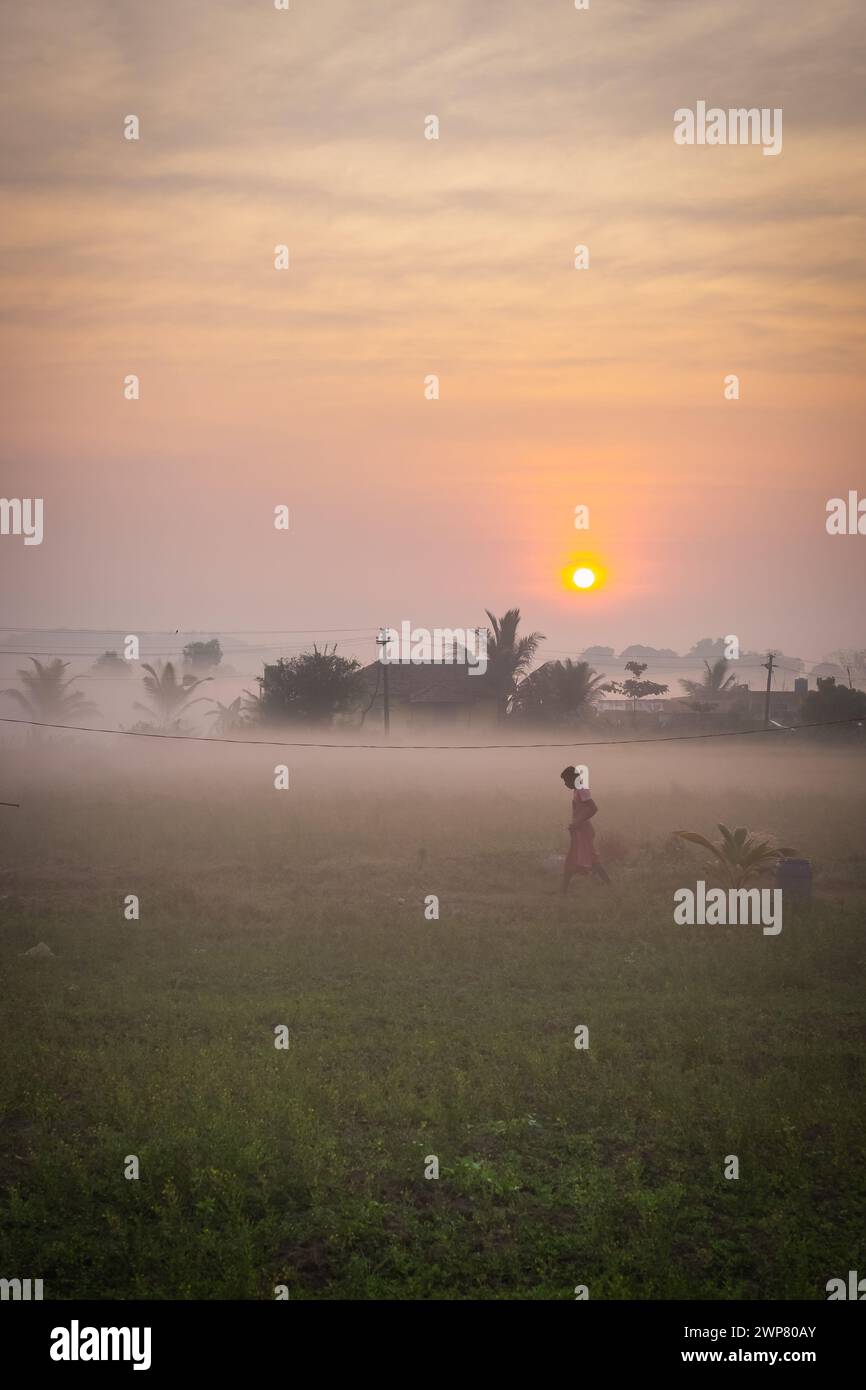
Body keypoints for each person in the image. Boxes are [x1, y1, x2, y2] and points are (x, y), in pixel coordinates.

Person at [560, 765, 610, 891]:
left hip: (583, 830)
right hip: (580, 830)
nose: (565, 784)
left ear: (572, 779)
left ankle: (563, 891)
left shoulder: (582, 789)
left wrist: (578, 822)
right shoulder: (577, 790)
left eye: (566, 781)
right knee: (591, 859)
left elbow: (593, 808)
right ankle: (610, 885)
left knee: (574, 859)